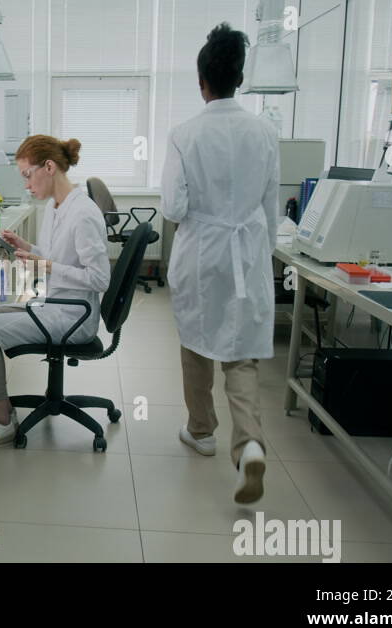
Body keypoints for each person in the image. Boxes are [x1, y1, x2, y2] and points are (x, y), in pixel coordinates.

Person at [159, 23, 280, 503]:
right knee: (240, 351)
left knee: (196, 342)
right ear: (240, 77)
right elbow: (269, 209)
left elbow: (172, 208)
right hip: (246, 251)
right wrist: (257, 256)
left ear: (201, 79)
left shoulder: (184, 134)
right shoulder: (266, 132)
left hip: (201, 251)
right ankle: (248, 443)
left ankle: (202, 431)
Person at [0, 135, 111, 450]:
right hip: (54, 305)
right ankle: (0, 412)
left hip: (73, 317)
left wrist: (48, 266)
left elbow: (100, 279)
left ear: (50, 167)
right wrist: (26, 248)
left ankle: (2, 420)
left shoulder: (83, 213)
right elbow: (58, 255)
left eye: (28, 175)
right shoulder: (56, 207)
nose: (26, 185)